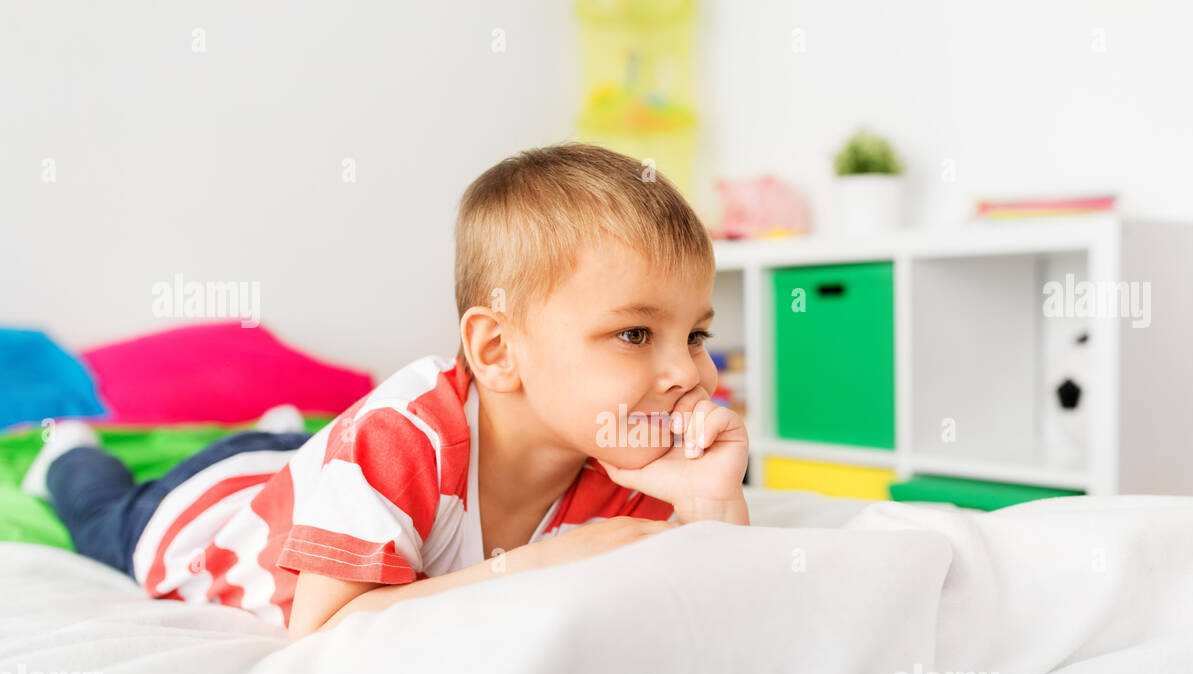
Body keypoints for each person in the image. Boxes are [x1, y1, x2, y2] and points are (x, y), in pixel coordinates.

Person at [22, 142, 750, 640]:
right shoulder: (408, 434)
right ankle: (69, 446)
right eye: (635, 335)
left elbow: (722, 603)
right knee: (106, 514)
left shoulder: (622, 459)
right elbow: (328, 627)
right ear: (497, 351)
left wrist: (710, 500)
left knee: (313, 451)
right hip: (210, 514)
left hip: (316, 466)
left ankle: (298, 441)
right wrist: (540, 563)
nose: (689, 372)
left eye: (695, 335)